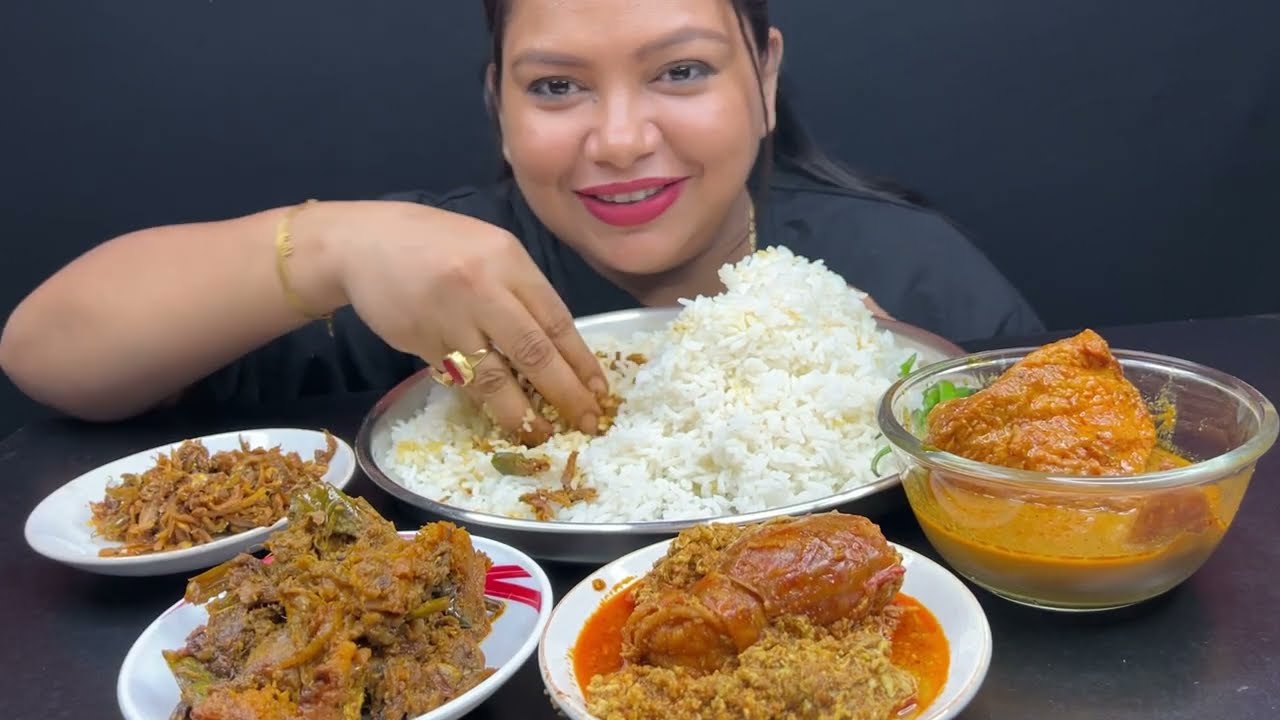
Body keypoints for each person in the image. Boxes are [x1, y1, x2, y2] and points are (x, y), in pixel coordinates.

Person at [0, 0, 1042, 445]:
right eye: (556, 88)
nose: (622, 137)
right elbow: (46, 356)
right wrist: (330, 245)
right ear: (495, 101)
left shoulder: (908, 270)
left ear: (764, 76)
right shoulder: (408, 282)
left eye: (680, 71)